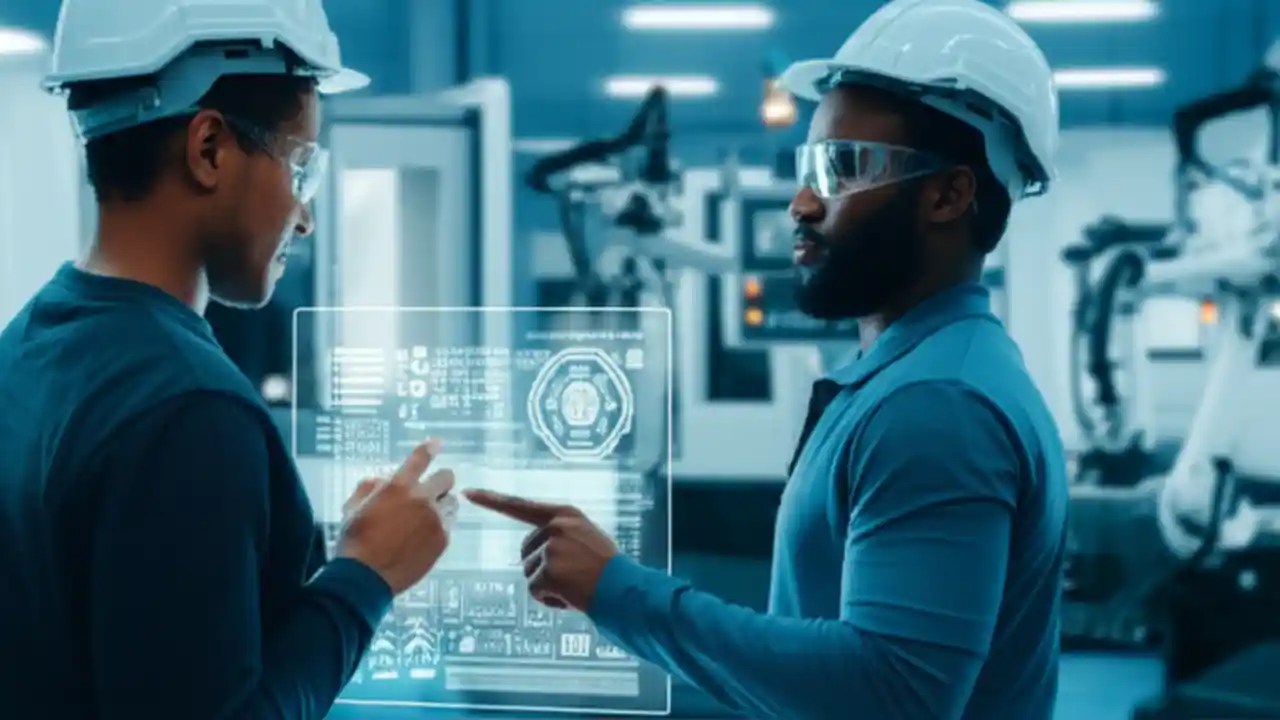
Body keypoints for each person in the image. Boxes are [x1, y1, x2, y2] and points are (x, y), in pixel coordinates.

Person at [465, 1, 1069, 718]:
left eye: (844, 168)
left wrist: (619, 590)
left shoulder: (937, 405)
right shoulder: (927, 376)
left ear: (949, 195)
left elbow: (891, 694)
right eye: (808, 165)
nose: (802, 202)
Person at [0, 1, 457, 717]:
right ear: (209, 148)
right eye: (299, 165)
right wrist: (366, 577)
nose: (304, 214)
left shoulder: (29, 346)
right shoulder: (190, 413)